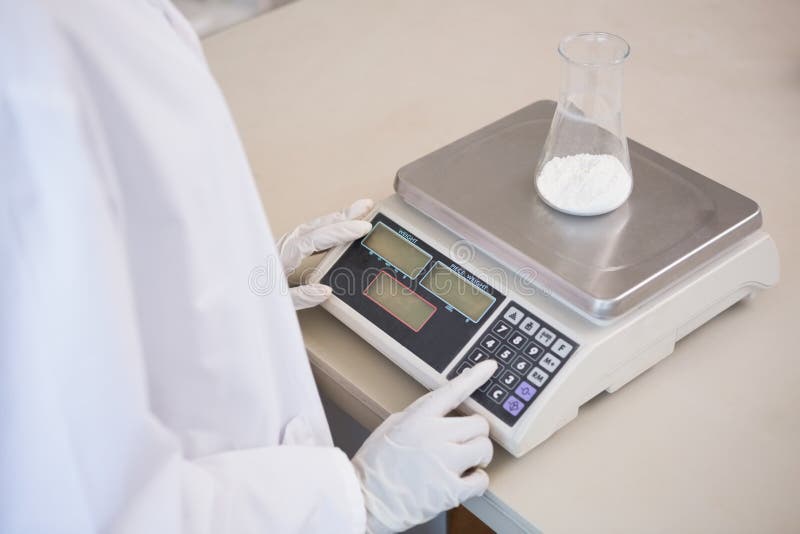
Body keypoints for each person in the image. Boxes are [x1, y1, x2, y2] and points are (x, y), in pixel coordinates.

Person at [0, 1, 498, 532]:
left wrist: (237, 289)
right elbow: (86, 505)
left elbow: (124, 241)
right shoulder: (29, 69)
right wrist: (357, 501)